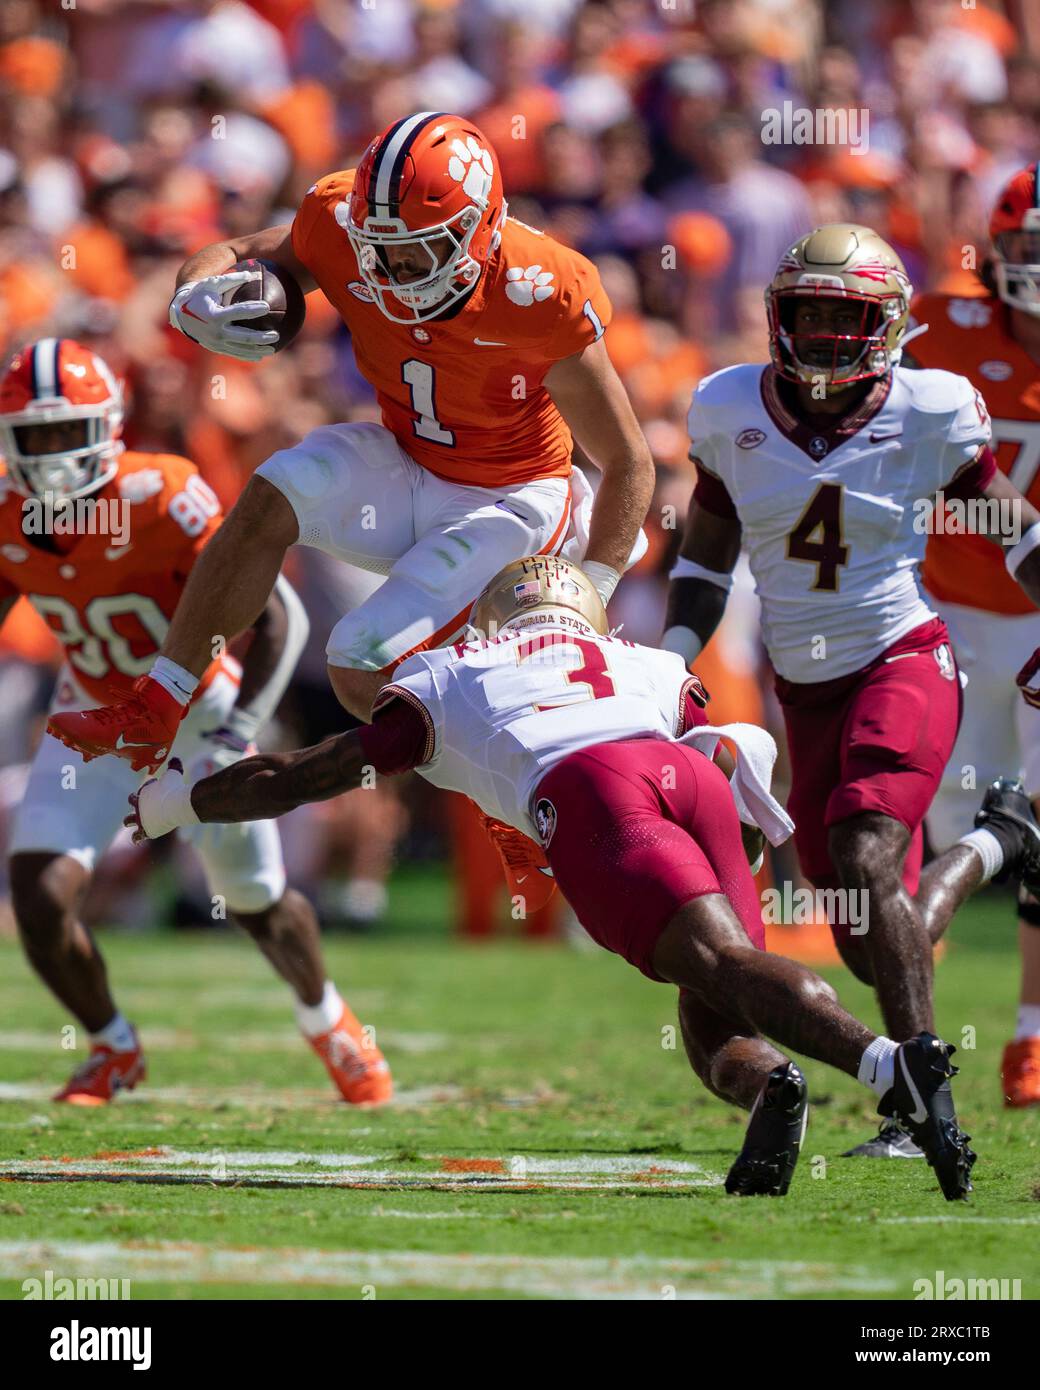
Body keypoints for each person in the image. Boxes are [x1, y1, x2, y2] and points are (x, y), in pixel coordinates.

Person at [125, 554, 995, 1202]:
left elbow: (304, 773)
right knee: (712, 1002)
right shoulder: (645, 661)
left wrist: (175, 805)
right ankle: (775, 1089)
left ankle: (892, 1067)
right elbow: (709, 734)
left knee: (724, 969)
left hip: (594, 792)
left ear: (493, 617)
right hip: (689, 777)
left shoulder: (454, 671)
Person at [47, 111, 655, 907]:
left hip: (513, 494)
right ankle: (157, 704)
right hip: (407, 461)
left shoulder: (540, 289)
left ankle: (503, 803)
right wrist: (196, 292)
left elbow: (630, 464)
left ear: (483, 230)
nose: (394, 268)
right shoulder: (342, 218)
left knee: (358, 663)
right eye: (382, 247)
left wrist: (592, 598)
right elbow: (232, 254)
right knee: (272, 491)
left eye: (419, 250)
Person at [661, 224, 1040, 1157]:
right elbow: (705, 565)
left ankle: (921, 1099)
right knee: (863, 928)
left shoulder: (932, 410)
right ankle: (996, 845)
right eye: (811, 313)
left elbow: (1018, 533)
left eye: (848, 316)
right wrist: (671, 661)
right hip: (805, 684)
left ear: (890, 325)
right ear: (776, 317)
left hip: (902, 655)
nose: (828, 334)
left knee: (866, 848)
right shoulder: (726, 408)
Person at [0, 338, 390, 1106]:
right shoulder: (9, 514)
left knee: (257, 904)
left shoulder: (164, 496)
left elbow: (278, 620)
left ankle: (327, 1018)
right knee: (39, 893)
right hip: (95, 716)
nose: (47, 456)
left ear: (106, 426)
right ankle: (112, 1046)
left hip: (195, 710)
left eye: (62, 432)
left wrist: (227, 733)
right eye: (31, 435)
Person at [911, 164, 1040, 1107]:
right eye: (1028, 244)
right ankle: (911, 1022)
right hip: (952, 608)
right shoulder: (941, 321)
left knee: (1039, 824)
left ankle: (1031, 1036)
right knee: (944, 822)